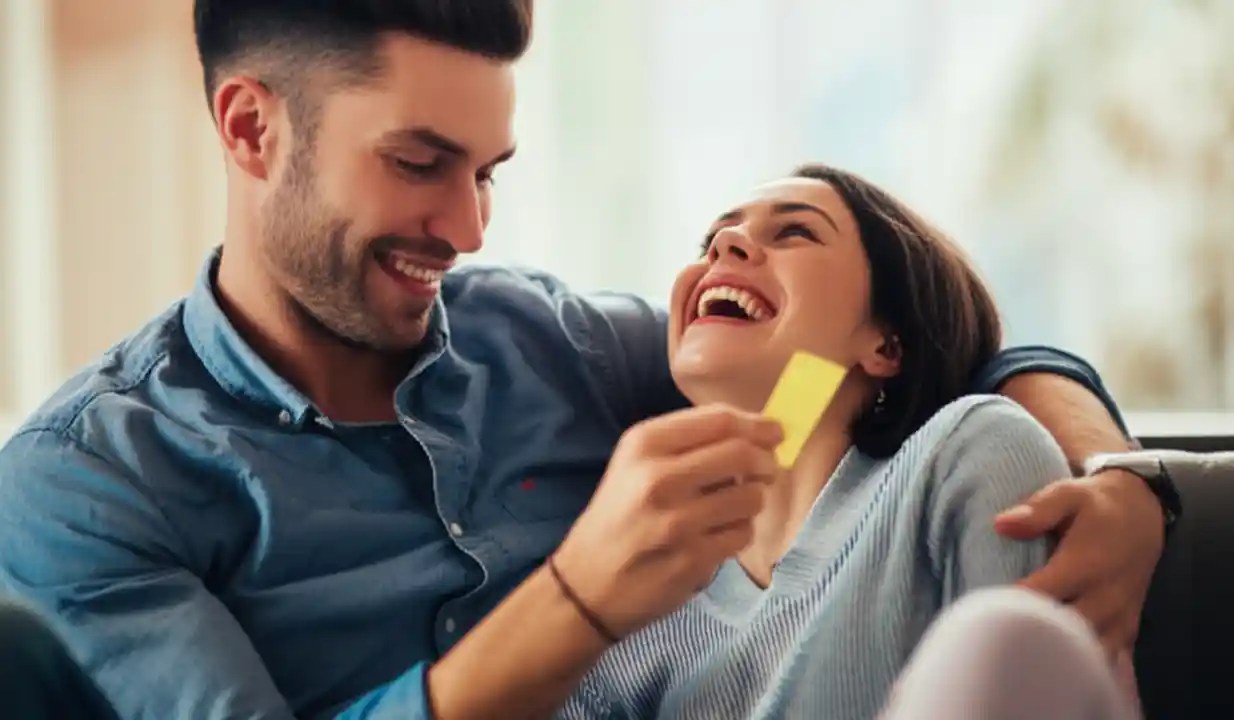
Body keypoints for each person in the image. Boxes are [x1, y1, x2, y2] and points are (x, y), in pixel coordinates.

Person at [0, 2, 1170, 718]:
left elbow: (926, 352)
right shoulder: (87, 482)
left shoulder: (548, 344)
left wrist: (1121, 477)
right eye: (418, 162)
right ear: (252, 128)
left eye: (488, 171)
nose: (466, 231)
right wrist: (574, 604)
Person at [552, 164, 1137, 718]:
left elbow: (1032, 676)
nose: (726, 246)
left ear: (885, 346)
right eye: (711, 241)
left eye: (795, 231)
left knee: (1008, 638)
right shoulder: (641, 603)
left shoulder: (965, 454)